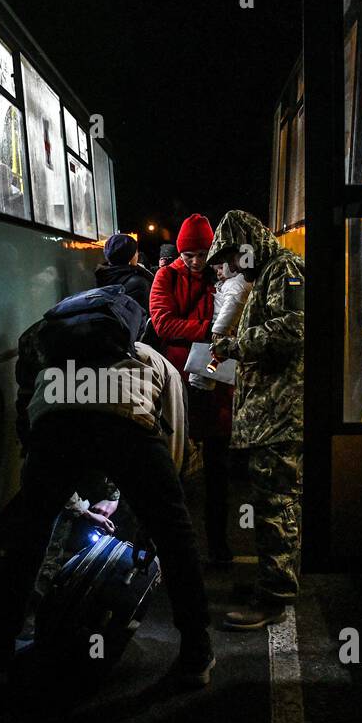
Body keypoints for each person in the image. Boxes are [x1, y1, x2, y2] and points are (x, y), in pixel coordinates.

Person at [0, 287, 215, 688]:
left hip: (55, 422)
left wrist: (71, 503)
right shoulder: (150, 359)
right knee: (178, 540)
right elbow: (174, 440)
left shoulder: (51, 360)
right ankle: (196, 652)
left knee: (27, 542)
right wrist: (152, 517)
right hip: (125, 426)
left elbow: (34, 434)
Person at [206, 210, 305, 630]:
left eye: (234, 254)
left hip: (282, 415)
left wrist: (233, 346)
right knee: (270, 504)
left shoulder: (285, 269)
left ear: (250, 243)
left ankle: (274, 597)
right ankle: (270, 584)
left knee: (276, 507)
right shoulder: (268, 273)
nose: (233, 264)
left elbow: (291, 330)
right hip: (269, 415)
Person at [150, 214, 233, 564]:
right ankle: (172, 550)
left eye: (202, 254)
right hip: (178, 386)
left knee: (219, 472)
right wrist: (209, 330)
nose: (196, 262)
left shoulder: (225, 276)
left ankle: (219, 546)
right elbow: (163, 324)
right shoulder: (165, 276)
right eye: (189, 255)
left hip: (217, 387)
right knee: (172, 470)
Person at [94, 233, 154, 314]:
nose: (137, 255)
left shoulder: (102, 274)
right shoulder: (138, 282)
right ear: (129, 255)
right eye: (135, 251)